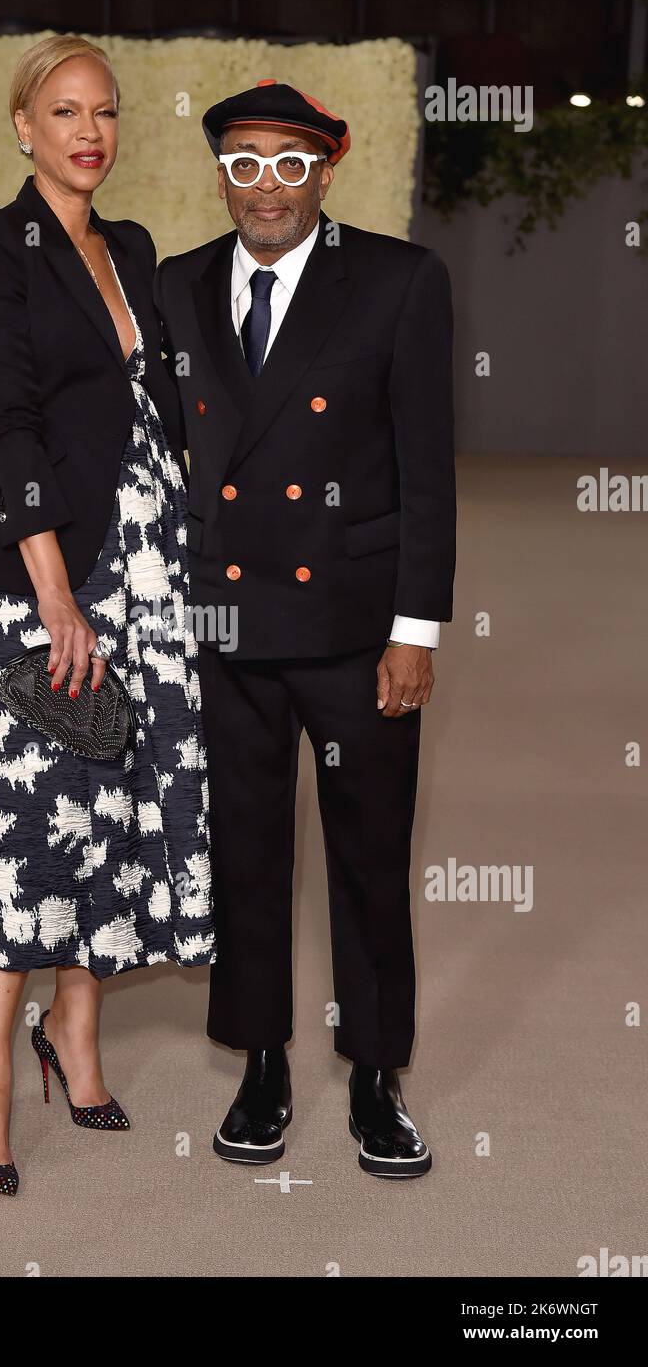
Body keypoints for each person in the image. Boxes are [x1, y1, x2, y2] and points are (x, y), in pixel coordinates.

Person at [154, 80, 455, 1175]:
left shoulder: (398, 280)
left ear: (325, 168)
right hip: (223, 626)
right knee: (242, 851)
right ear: (221, 171)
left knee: (371, 856)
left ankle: (376, 1078)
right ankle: (263, 1061)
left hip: (354, 625)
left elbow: (426, 471)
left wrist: (414, 628)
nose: (265, 184)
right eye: (243, 160)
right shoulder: (177, 286)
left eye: (288, 161)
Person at [0, 34, 214, 1195]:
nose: (88, 130)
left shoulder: (134, 246)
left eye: (103, 111)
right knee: (20, 824)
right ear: (23, 127)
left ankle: (76, 1032)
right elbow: (11, 411)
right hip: (29, 566)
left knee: (117, 800)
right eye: (63, 110)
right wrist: (52, 590)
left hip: (149, 563)